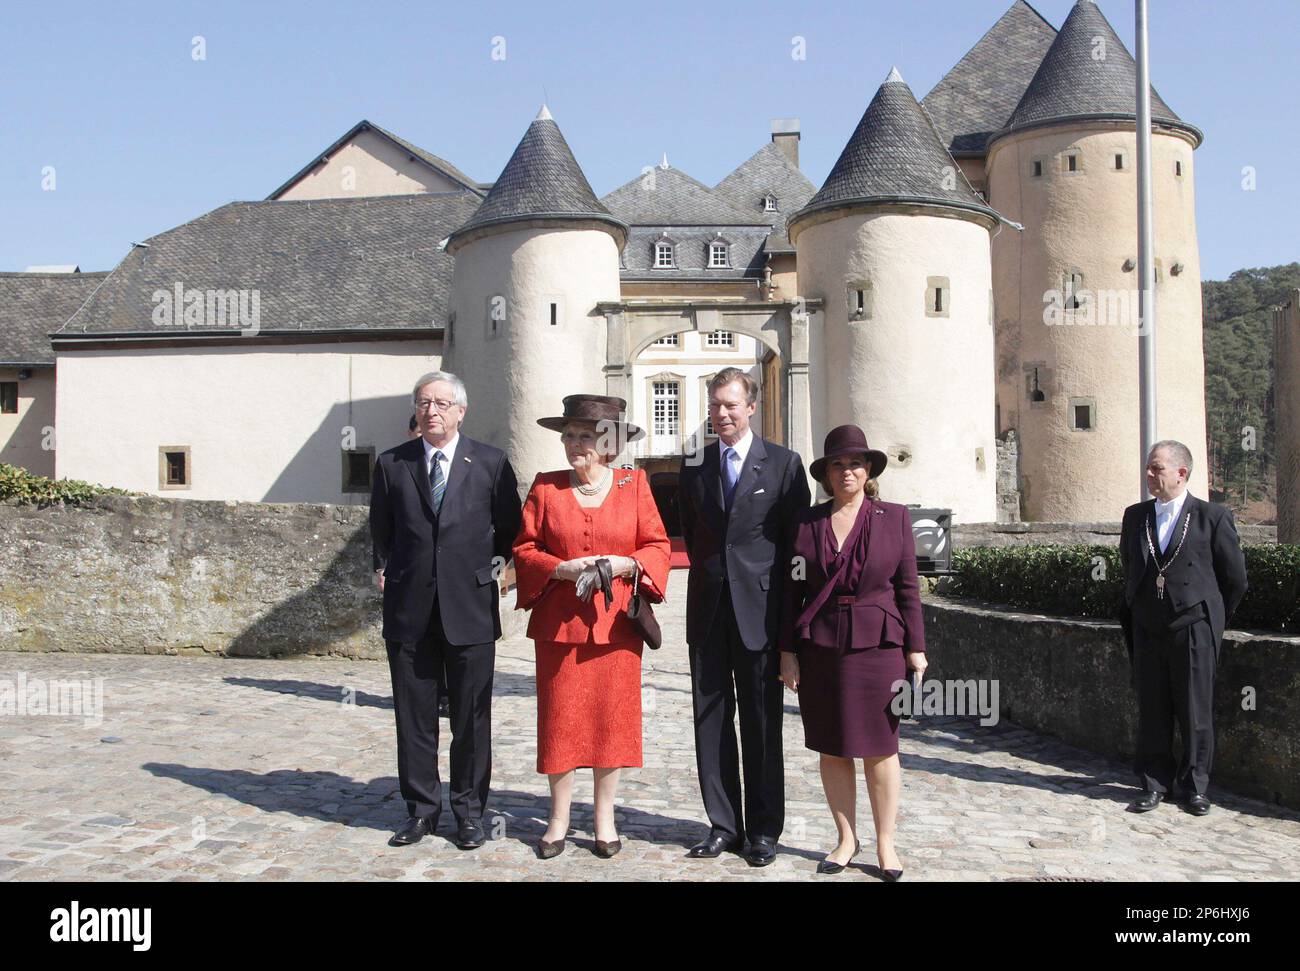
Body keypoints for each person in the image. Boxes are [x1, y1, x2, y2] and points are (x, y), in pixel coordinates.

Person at [513, 394, 671, 860]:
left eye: (585, 436)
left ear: (610, 444)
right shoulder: (546, 487)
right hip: (559, 627)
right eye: (569, 435)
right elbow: (524, 550)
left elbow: (658, 545)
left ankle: (605, 818)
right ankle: (558, 819)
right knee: (560, 721)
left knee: (611, 722)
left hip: (617, 628)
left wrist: (628, 562)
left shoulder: (635, 484)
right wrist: (560, 569)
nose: (574, 444)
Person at [370, 371, 522, 849]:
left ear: (460, 411)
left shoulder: (491, 464)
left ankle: (470, 812)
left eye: (440, 403)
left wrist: (485, 573)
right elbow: (382, 531)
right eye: (422, 403)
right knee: (413, 717)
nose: (430, 411)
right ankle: (421, 811)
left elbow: (509, 530)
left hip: (470, 609)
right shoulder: (392, 464)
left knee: (471, 720)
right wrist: (386, 569)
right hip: (409, 609)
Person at [777, 424, 926, 879]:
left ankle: (885, 843)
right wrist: (786, 651)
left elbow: (908, 590)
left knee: (881, 749)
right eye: (838, 464)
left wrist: (916, 649)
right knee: (832, 748)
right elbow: (790, 592)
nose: (847, 472)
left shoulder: (895, 518)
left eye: (855, 464)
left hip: (879, 647)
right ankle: (845, 838)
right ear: (826, 474)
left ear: (868, 470)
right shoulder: (805, 523)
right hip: (820, 648)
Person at [677, 367, 811, 866]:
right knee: (710, 722)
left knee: (761, 724)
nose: (722, 414)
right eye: (715, 405)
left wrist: (790, 633)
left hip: (761, 613)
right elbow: (694, 536)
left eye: (731, 405)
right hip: (709, 612)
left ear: (751, 407)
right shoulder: (694, 465)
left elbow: (796, 546)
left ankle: (763, 831)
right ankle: (723, 825)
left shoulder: (783, 465)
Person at [1118, 440, 1247, 816]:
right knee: (1152, 707)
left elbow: (1234, 579)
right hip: (1147, 627)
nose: (1149, 475)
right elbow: (1130, 568)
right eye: (1148, 467)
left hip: (1194, 628)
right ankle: (1153, 782)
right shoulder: (1135, 516)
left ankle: (1194, 787)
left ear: (1181, 473)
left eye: (1156, 468)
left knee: (1195, 710)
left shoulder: (1212, 517)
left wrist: (1211, 618)